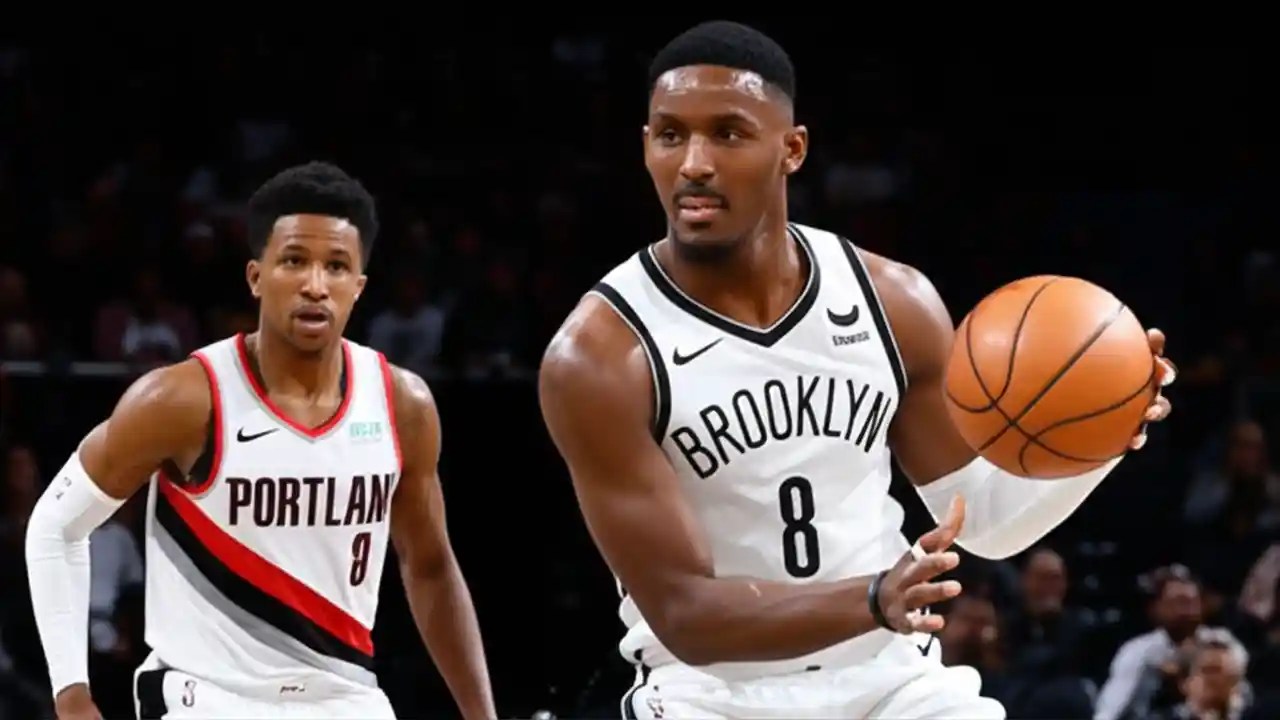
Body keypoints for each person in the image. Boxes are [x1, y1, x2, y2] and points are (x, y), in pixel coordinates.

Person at [538, 20, 1176, 719]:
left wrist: (1107, 428)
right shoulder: (600, 356)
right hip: (714, 692)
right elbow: (685, 613)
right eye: (670, 134)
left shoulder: (890, 301)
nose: (694, 161)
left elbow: (986, 520)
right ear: (646, 146)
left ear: (792, 149)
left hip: (892, 680)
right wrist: (874, 598)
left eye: (727, 133)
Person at [25, 162, 496, 720]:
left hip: (346, 697)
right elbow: (55, 525)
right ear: (255, 275)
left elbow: (430, 566)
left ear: (359, 286)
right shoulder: (182, 400)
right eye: (294, 261)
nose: (315, 285)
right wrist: (72, 696)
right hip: (205, 698)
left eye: (336, 267)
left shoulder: (402, 405)